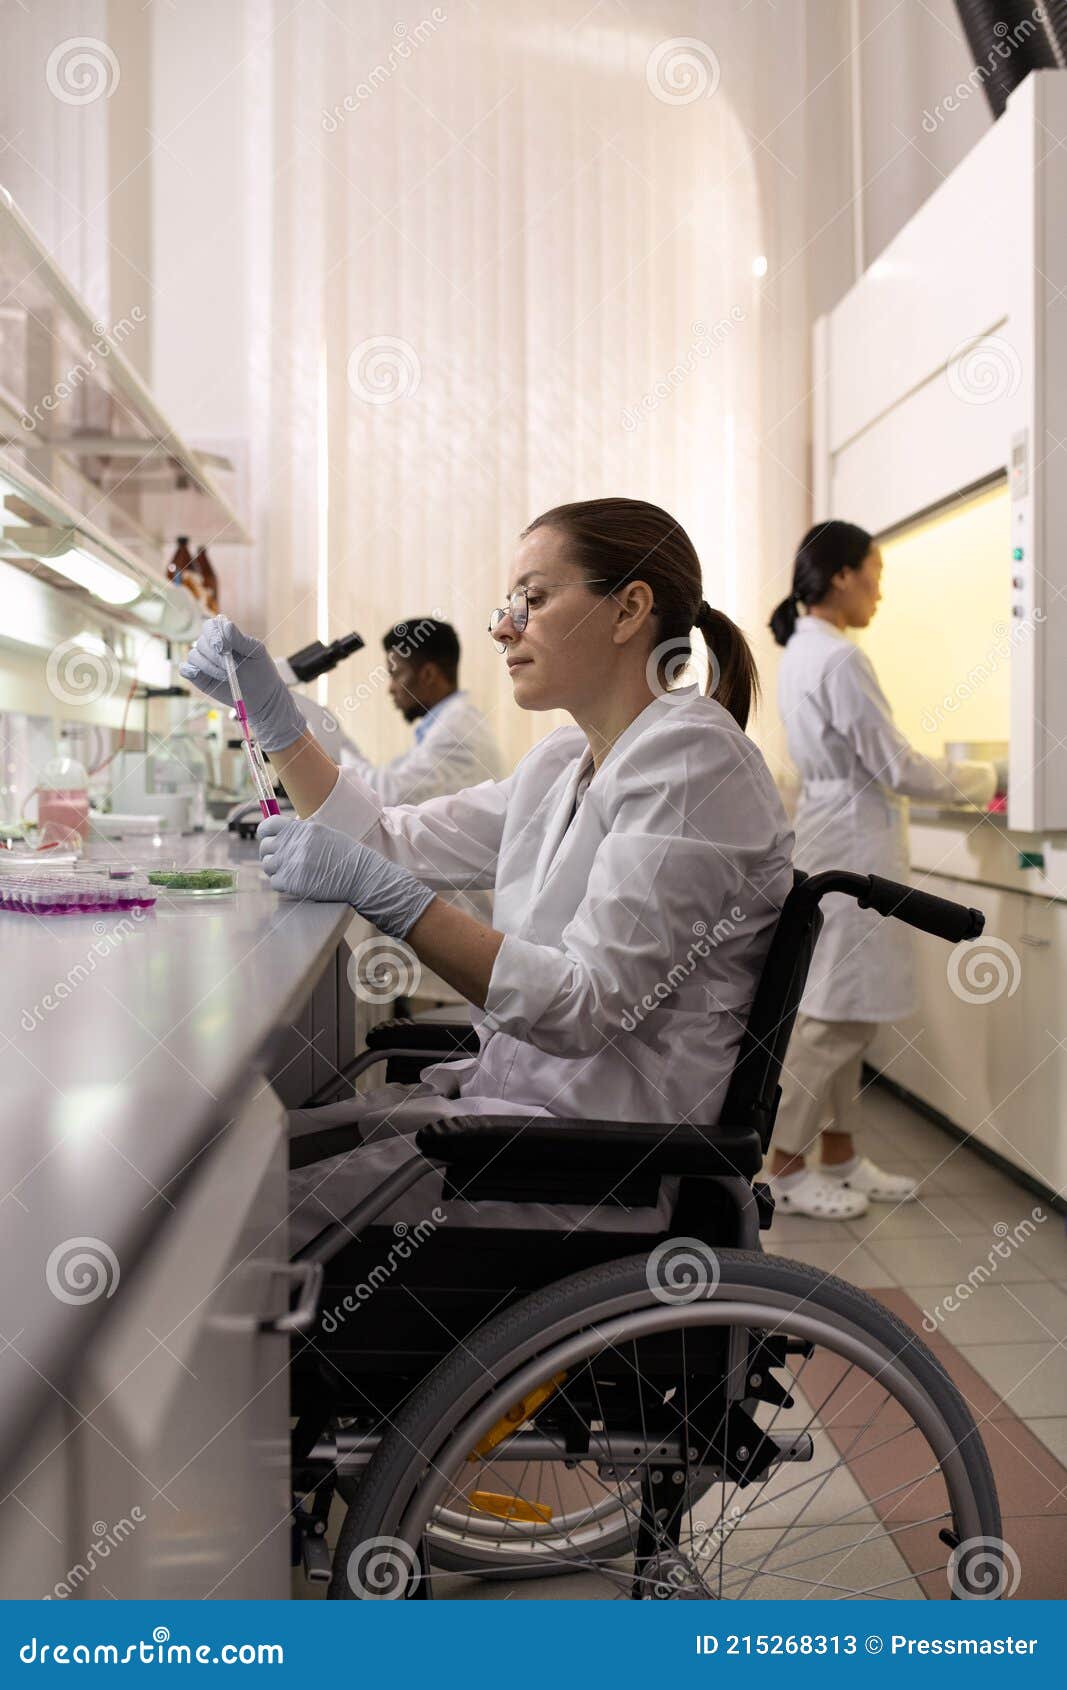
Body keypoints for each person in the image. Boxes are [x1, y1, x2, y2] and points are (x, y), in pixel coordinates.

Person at [181, 498, 795, 1249]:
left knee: (230, 1228)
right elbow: (385, 839)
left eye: (533, 599)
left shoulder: (694, 763)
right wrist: (277, 721)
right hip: (516, 1121)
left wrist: (384, 894)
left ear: (630, 608)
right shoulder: (562, 762)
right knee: (233, 1167)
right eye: (508, 605)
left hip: (598, 1169)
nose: (504, 627)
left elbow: (584, 1005)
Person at [766, 520, 998, 1220]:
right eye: (875, 575)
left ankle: (838, 1154)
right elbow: (895, 766)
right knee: (836, 1020)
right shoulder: (839, 659)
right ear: (841, 575)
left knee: (842, 1009)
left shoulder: (804, 651)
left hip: (833, 836)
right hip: (853, 847)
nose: (879, 593)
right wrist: (987, 777)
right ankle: (782, 1167)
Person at [306, 617, 504, 801]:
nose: (391, 688)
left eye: (396, 674)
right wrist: (334, 739)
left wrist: (327, 742)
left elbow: (387, 795)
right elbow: (384, 776)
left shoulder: (457, 727)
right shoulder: (445, 723)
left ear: (428, 675)